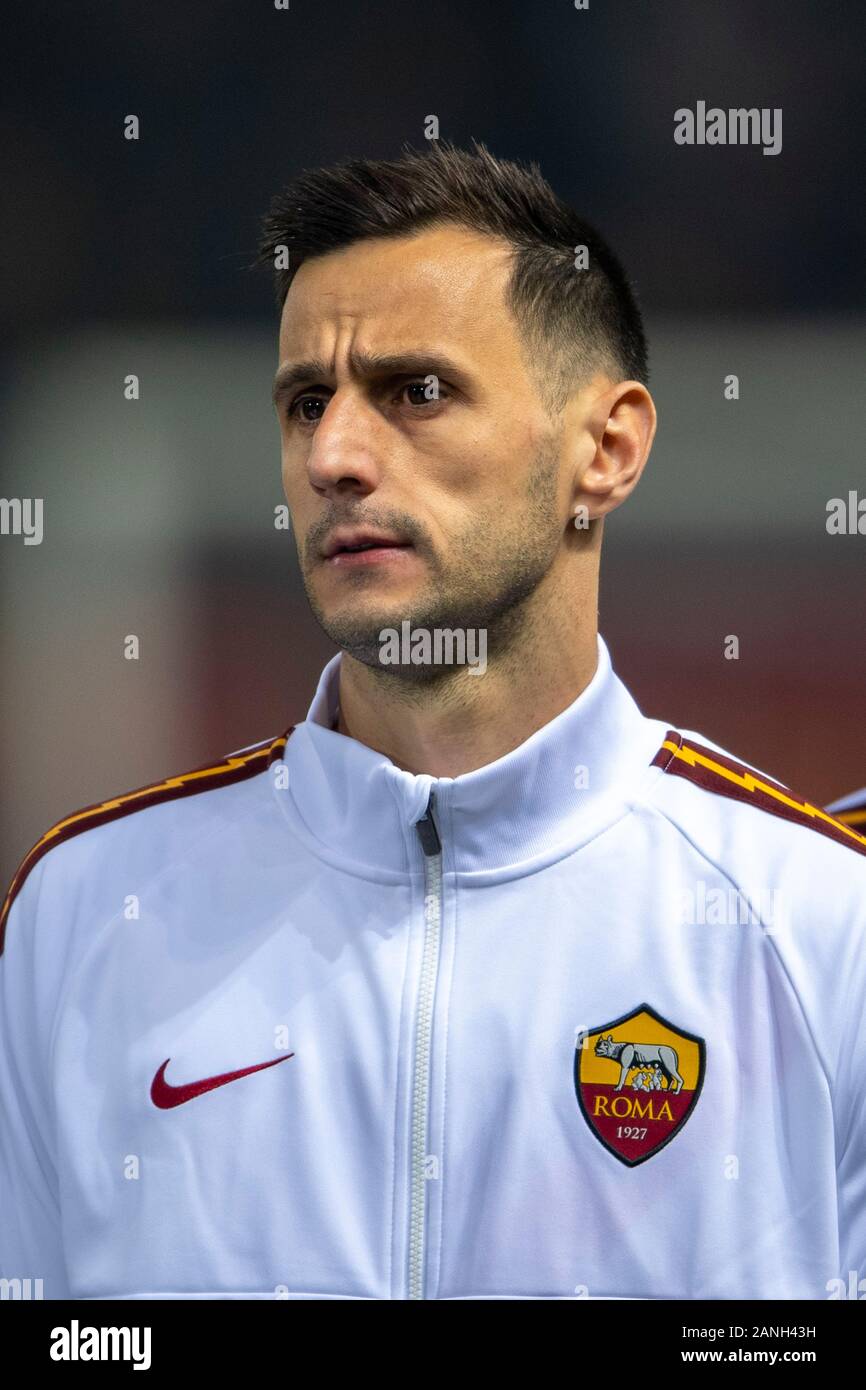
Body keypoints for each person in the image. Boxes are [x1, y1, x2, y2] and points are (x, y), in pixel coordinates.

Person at [2, 141, 864, 1302]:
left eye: (415, 391)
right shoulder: (81, 911)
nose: (332, 456)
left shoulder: (820, 927)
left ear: (603, 450)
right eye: (307, 401)